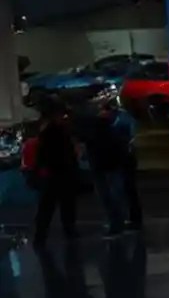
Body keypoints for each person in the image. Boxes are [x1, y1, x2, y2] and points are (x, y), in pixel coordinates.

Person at [31, 108, 80, 248]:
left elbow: (41, 155)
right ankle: (68, 230)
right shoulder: (62, 132)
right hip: (61, 172)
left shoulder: (48, 133)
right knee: (65, 205)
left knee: (47, 207)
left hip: (53, 173)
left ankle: (41, 235)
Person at [85, 100, 129, 238]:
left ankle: (114, 222)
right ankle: (119, 222)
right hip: (112, 166)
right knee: (116, 196)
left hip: (99, 167)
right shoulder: (113, 131)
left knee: (106, 197)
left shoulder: (92, 132)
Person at [108, 102, 143, 228]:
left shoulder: (121, 121)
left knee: (127, 189)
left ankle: (132, 218)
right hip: (127, 157)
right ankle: (134, 217)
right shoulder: (126, 119)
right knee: (129, 189)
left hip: (125, 158)